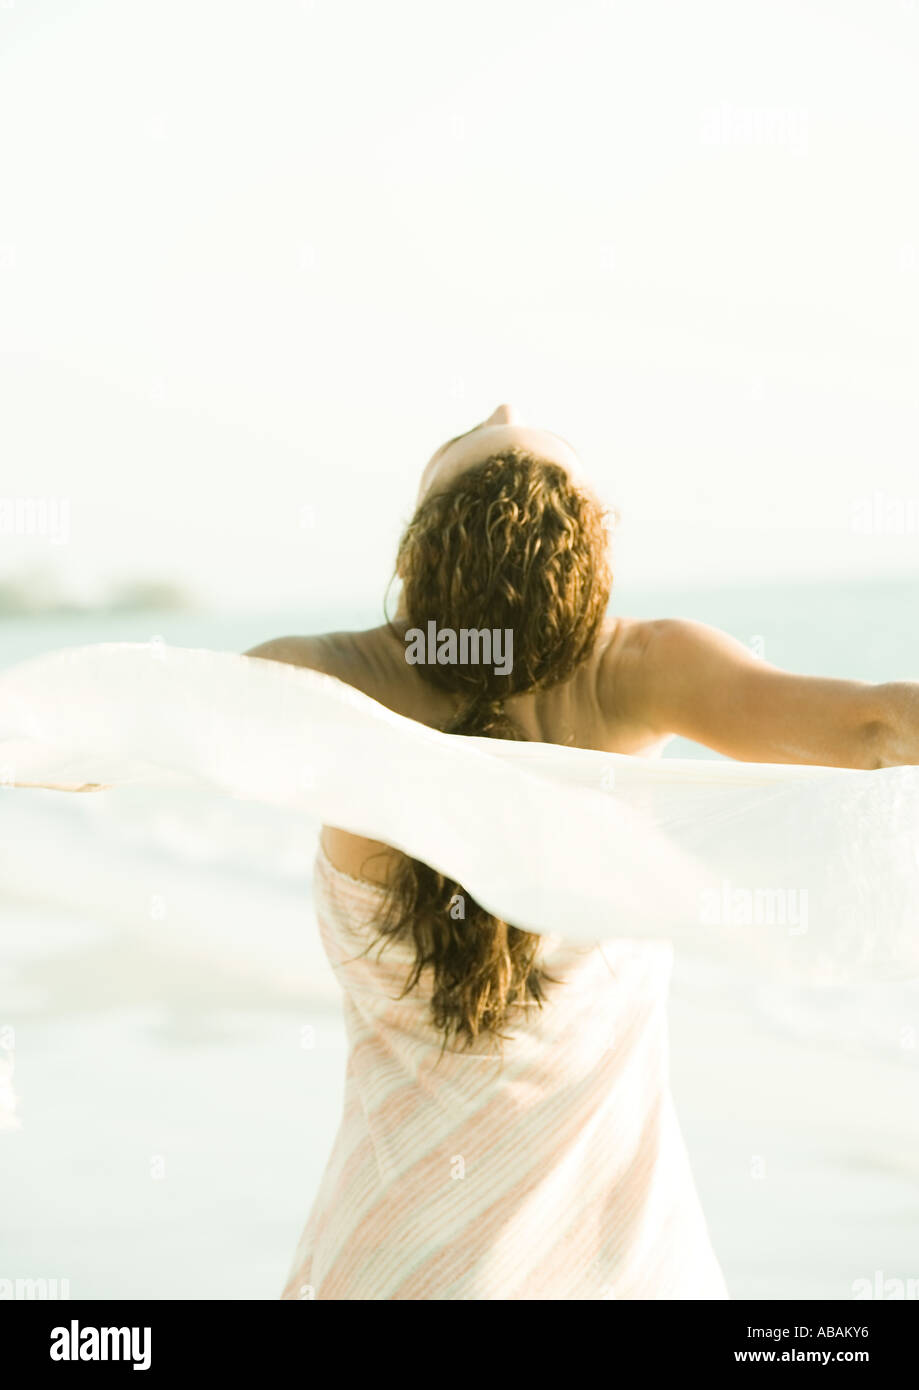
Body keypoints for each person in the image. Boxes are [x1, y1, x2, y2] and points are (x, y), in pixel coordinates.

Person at [248, 404, 917, 1298]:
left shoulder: (334, 677)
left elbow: (128, 718)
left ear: (418, 558)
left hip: (395, 1261)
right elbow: (874, 724)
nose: (505, 410)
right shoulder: (638, 670)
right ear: (589, 552)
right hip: (614, 1267)